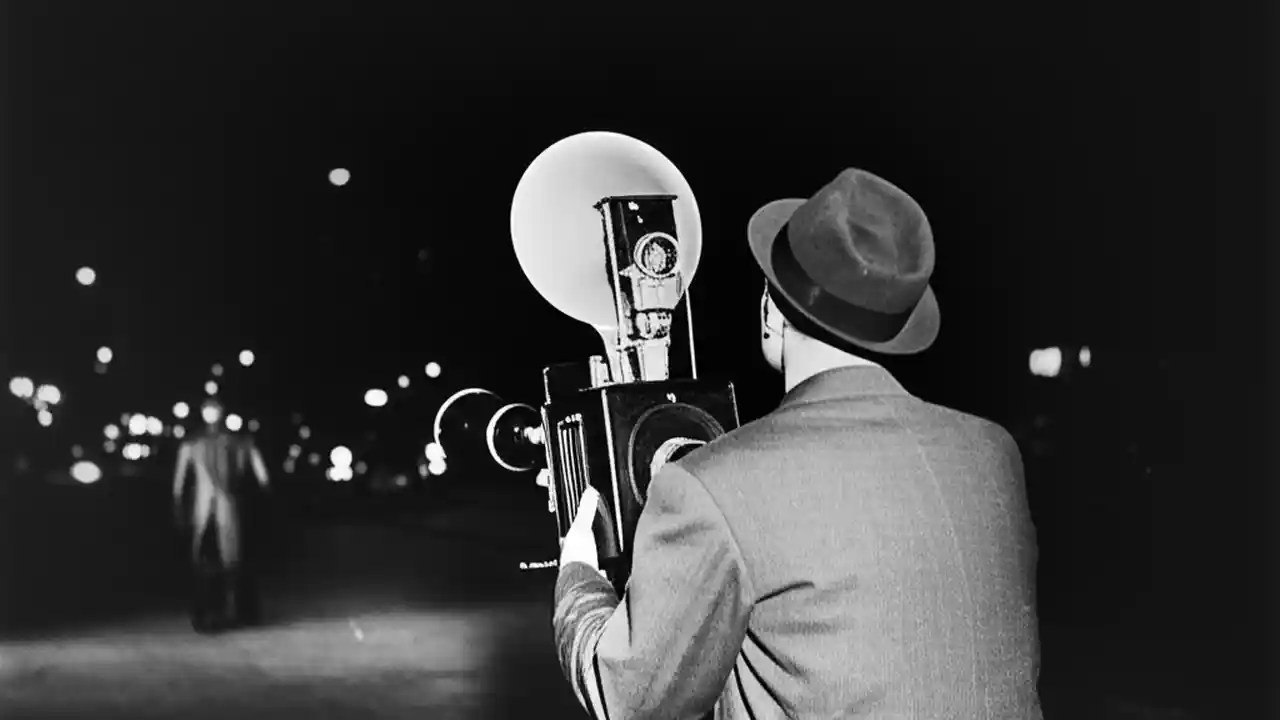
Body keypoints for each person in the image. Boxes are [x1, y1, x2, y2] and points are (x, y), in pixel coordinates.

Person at [552, 169, 1042, 718]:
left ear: (770, 310)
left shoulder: (710, 489)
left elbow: (627, 698)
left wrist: (580, 577)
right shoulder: (992, 455)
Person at [172, 397, 270, 632]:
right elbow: (178, 483)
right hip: (209, 509)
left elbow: (261, 475)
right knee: (211, 559)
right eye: (208, 410)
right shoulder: (196, 443)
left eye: (214, 410)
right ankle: (217, 610)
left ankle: (227, 609)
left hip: (224, 508)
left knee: (229, 559)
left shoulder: (235, 442)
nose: (212, 414)